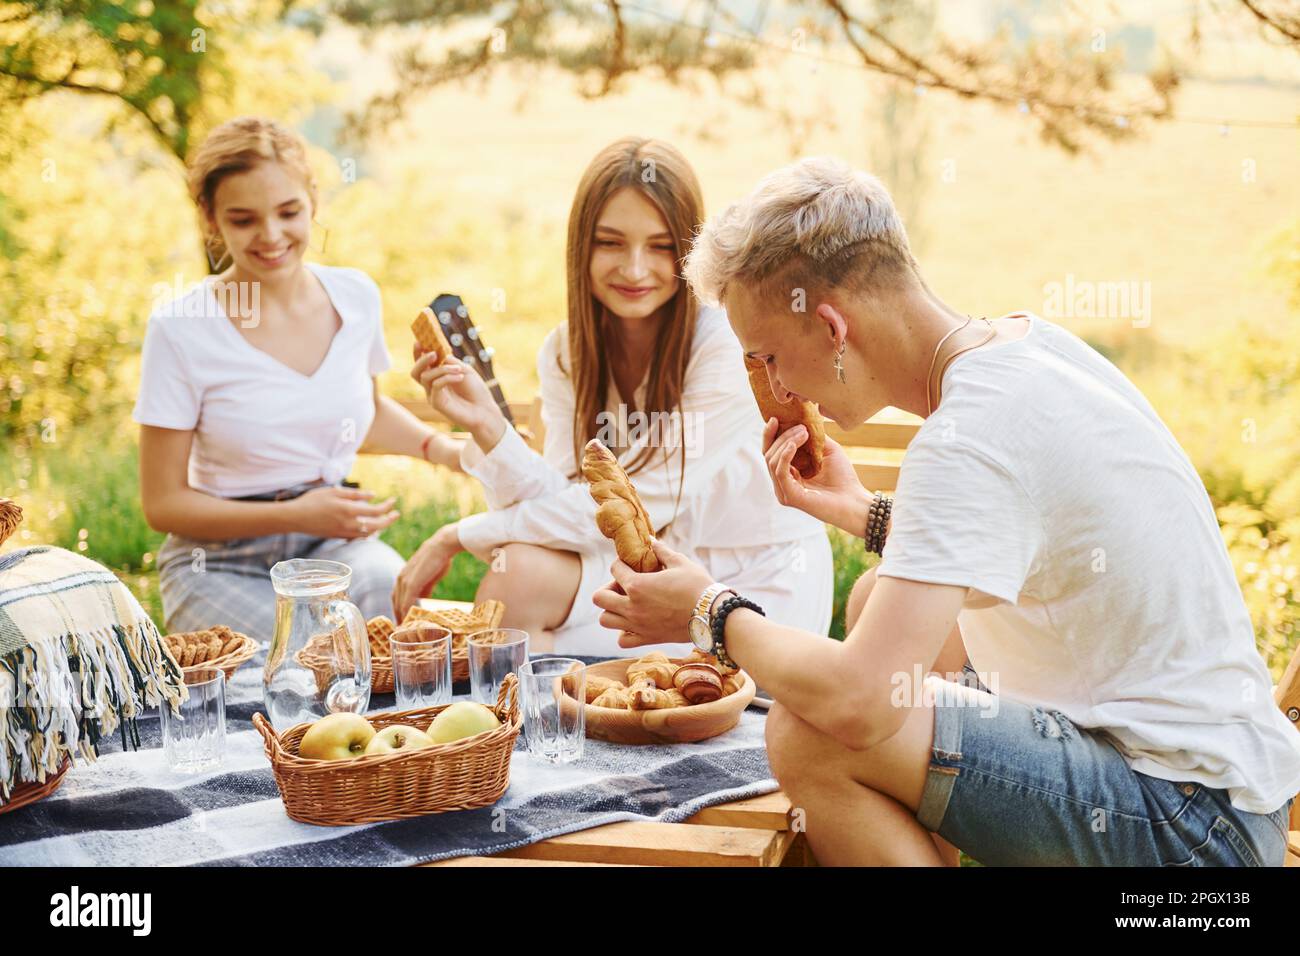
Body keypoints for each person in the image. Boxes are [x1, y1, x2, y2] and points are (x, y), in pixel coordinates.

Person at [593, 155, 1300, 866]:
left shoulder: (967, 437)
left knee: (814, 733)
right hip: (1226, 797)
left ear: (833, 329)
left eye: (769, 356)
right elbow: (1023, 541)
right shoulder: (1026, 350)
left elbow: (861, 703)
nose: (772, 383)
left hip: (1196, 839)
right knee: (877, 599)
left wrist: (709, 612)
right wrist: (865, 514)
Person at [393, 137, 832, 656]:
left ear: (689, 251)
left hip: (752, 585)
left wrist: (459, 534)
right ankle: (546, 732)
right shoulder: (565, 352)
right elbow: (566, 507)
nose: (635, 268)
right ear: (583, 245)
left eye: (661, 246)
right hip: (651, 568)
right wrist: (488, 426)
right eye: (611, 242)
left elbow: (642, 501)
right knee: (520, 581)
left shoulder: (724, 345)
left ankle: (578, 716)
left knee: (518, 602)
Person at [134, 116, 463, 641]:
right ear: (210, 219)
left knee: (387, 608)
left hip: (330, 546)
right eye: (243, 220)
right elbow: (163, 504)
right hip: (219, 563)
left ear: (313, 201)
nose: (271, 236)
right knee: (303, 657)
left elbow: (366, 414)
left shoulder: (355, 297)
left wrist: (445, 450)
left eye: (289, 212)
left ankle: (395, 726)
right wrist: (298, 514)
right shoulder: (180, 329)